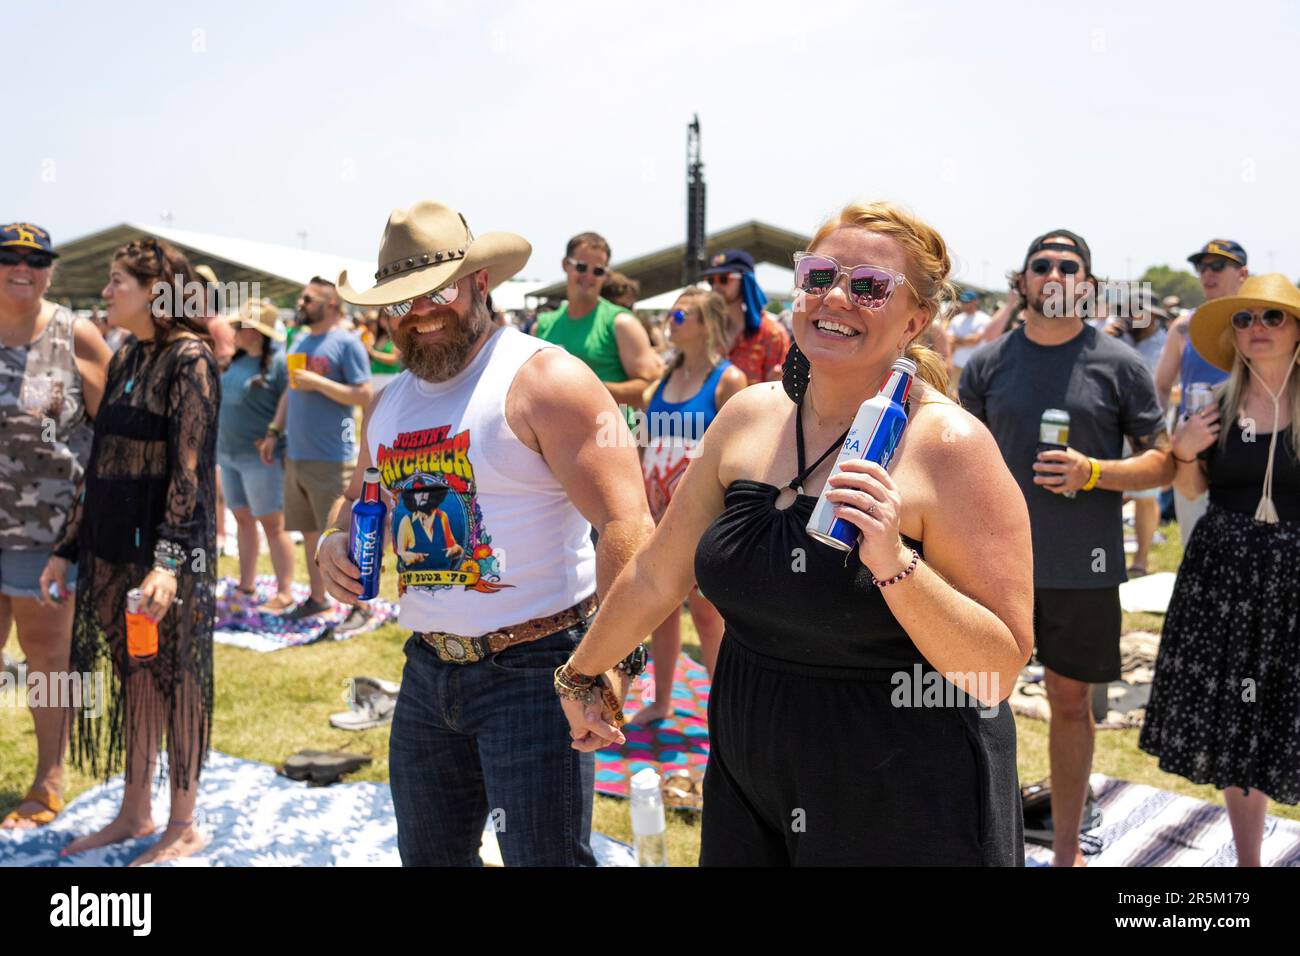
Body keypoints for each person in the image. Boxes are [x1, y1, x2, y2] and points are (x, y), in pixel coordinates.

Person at [558, 201, 1033, 866]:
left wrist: (894, 561)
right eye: (818, 277)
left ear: (916, 319)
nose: (835, 297)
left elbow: (998, 670)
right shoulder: (750, 416)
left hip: (901, 786)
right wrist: (583, 673)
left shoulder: (950, 447)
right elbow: (659, 571)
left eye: (869, 286)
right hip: (752, 769)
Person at [318, 201, 653, 866]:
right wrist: (333, 542)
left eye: (434, 292)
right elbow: (357, 501)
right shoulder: (388, 402)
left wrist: (606, 666)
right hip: (426, 671)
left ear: (480, 282)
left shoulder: (542, 379)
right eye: (400, 302)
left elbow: (627, 522)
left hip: (537, 669)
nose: (419, 313)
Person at [960, 229, 1174, 866]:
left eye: (1068, 266)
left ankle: (1064, 852)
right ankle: (986, 838)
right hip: (990, 568)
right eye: (1040, 265)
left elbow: (1163, 464)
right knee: (974, 702)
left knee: (1071, 702)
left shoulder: (1119, 364)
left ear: (1087, 284)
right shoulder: (988, 363)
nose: (1053, 274)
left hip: (1085, 569)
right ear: (1022, 283)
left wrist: (1096, 474)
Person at [39, 237, 220, 866]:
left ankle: (184, 822)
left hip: (167, 554)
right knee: (134, 678)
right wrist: (66, 547)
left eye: (120, 280)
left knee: (179, 678)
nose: (108, 290)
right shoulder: (124, 357)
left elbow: (188, 473)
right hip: (111, 547)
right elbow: (100, 461)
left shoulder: (190, 359)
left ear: (155, 292)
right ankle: (135, 809)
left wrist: (168, 561)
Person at [1140, 273, 1300, 866]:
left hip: (1292, 583)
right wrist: (1181, 452)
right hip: (1224, 580)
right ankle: (1249, 863)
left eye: (1271, 317)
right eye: (1243, 318)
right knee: (1241, 722)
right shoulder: (1215, 405)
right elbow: (1191, 491)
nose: (1256, 328)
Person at [0, 223, 111, 830]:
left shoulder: (75, 334)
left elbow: (124, 429)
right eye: (10, 257)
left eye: (37, 259)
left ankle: (46, 785)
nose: (24, 268)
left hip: (46, 530)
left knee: (46, 658)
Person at [631, 288, 746, 724]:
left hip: (704, 510)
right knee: (660, 604)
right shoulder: (661, 379)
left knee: (706, 610)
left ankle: (723, 710)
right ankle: (661, 701)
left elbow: (741, 449)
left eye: (685, 313)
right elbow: (643, 444)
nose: (673, 318)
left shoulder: (729, 380)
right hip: (659, 510)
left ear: (708, 323)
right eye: (674, 312)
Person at [258, 277, 372, 622]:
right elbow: (289, 392)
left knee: (341, 533)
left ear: (331, 304)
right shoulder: (301, 340)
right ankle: (318, 598)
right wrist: (275, 429)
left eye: (308, 299)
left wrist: (318, 382)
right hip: (297, 454)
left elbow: (365, 394)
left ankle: (360, 606)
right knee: (310, 533)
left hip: (331, 456)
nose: (301, 304)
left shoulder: (347, 343)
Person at [1154, 239, 1247, 543]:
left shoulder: (1259, 323)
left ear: (1242, 273)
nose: (1208, 273)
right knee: (1195, 539)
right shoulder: (1183, 326)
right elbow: (1162, 385)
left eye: (1218, 266)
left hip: (1248, 445)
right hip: (1194, 448)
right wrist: (1164, 442)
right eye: (1201, 267)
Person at [218, 299, 295, 612]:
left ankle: (285, 591)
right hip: (228, 454)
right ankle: (246, 585)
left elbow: (291, 398)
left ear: (258, 331)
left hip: (260, 457)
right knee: (243, 519)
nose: (235, 330)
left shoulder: (279, 362)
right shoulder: (235, 361)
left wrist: (273, 433)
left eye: (242, 325)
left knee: (272, 525)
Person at [533, 233, 663, 411]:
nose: (589, 276)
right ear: (566, 264)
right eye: (581, 267)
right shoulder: (542, 326)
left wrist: (589, 387)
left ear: (606, 274)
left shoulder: (621, 323)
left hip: (608, 435)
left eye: (598, 271)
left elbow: (652, 386)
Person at [1106, 290, 1171, 576]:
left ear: (1153, 315)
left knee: (1145, 494)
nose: (1130, 316)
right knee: (1109, 487)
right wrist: (1105, 337)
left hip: (1148, 428)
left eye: (1137, 311)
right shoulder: (1115, 337)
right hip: (1112, 425)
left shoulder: (1165, 344)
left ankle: (1141, 560)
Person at [699, 248, 790, 386]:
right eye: (711, 281)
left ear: (746, 281)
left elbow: (777, 392)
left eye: (724, 279)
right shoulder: (708, 331)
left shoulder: (771, 333)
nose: (716, 286)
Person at [947, 289, 991, 382]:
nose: (965, 304)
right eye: (963, 302)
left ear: (975, 302)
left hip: (975, 368)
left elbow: (975, 340)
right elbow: (949, 340)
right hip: (956, 365)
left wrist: (957, 341)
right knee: (951, 394)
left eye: (968, 302)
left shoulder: (985, 319)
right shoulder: (957, 319)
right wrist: (966, 340)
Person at [363, 308, 403, 389]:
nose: (384, 319)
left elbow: (394, 359)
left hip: (389, 379)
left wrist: (373, 353)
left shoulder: (397, 336)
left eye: (386, 316)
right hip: (374, 378)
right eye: (382, 316)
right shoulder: (378, 336)